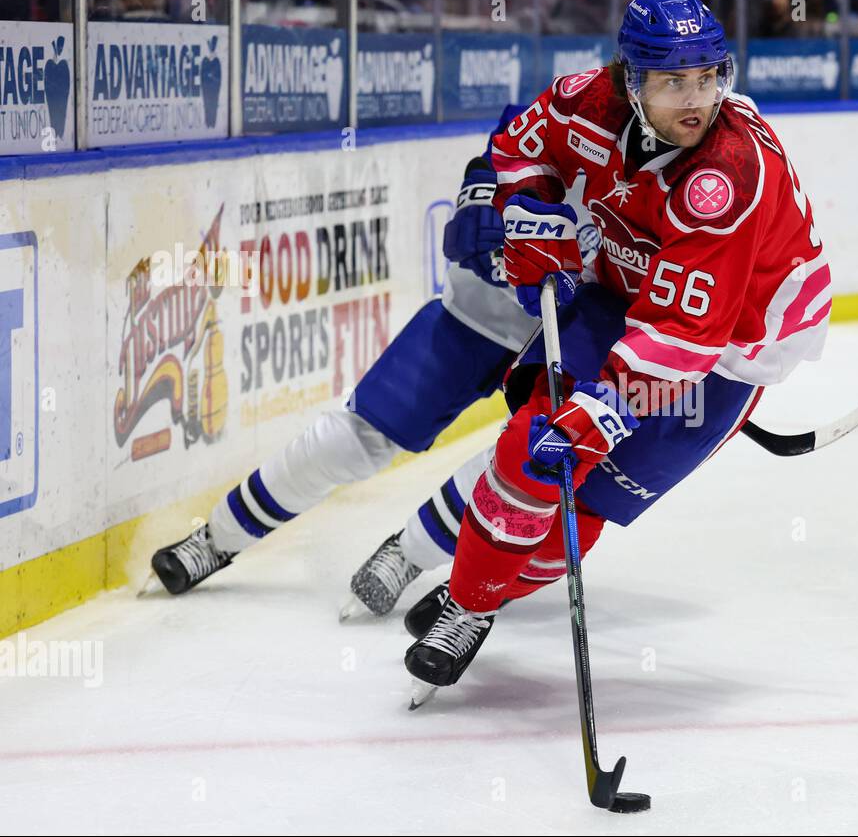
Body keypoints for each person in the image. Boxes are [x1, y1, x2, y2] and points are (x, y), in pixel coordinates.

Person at [400, 0, 831, 696]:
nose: (697, 100)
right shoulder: (584, 100)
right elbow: (517, 152)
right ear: (630, 79)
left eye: (708, 79)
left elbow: (689, 331)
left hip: (736, 344)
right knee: (534, 452)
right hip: (624, 293)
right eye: (672, 82)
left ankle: (481, 591)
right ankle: (468, 607)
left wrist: (608, 407)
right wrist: (505, 204)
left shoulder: (727, 174)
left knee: (589, 502)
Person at [145, 105, 575, 618]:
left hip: (570, 339)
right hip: (477, 316)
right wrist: (481, 217)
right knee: (354, 437)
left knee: (531, 456)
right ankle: (218, 537)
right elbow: (486, 179)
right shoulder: (572, 110)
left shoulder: (687, 178)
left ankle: (408, 554)